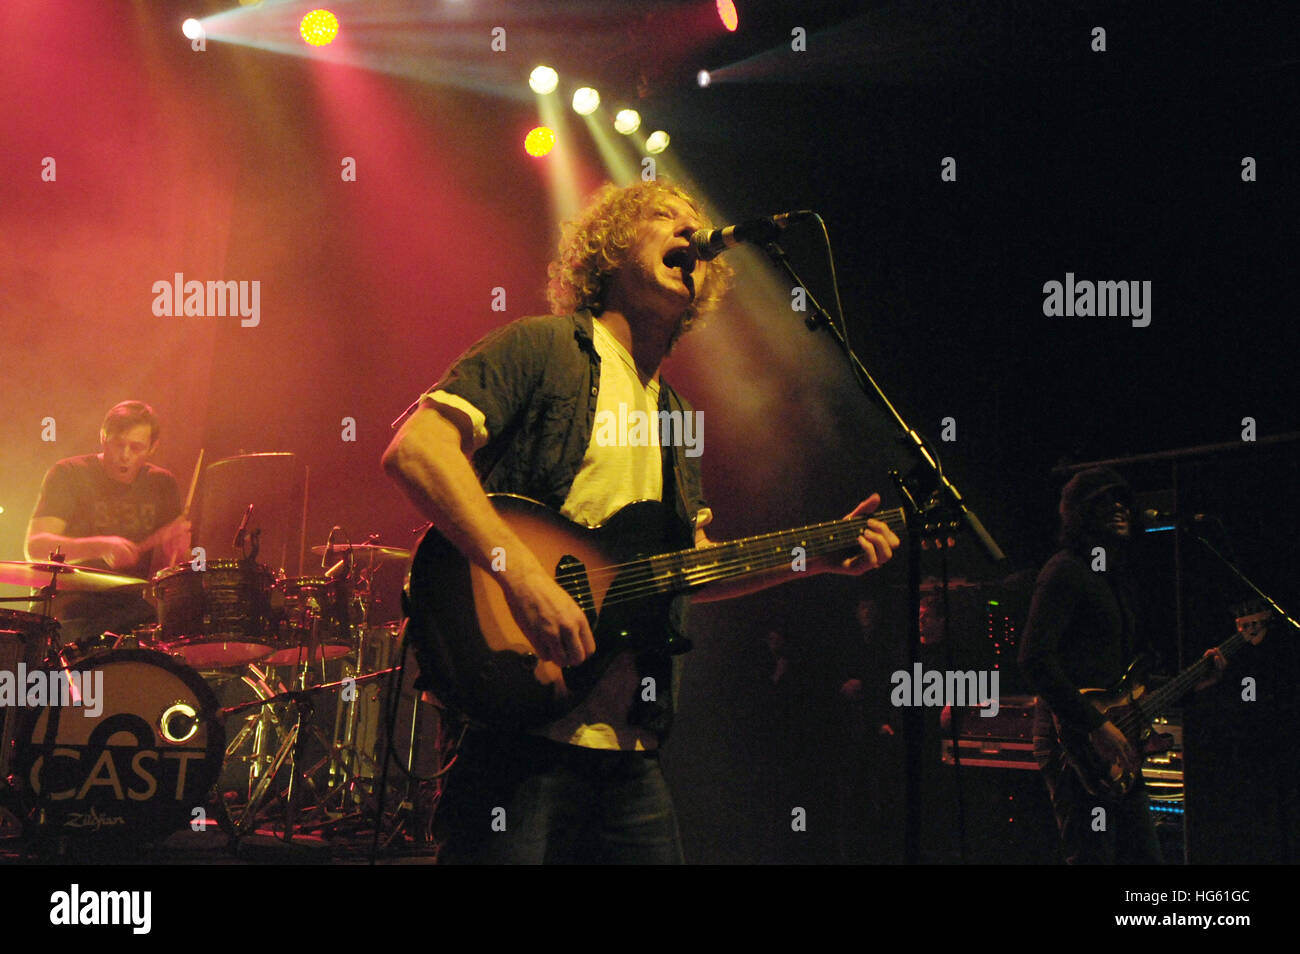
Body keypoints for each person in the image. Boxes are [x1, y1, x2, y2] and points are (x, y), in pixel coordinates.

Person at [382, 180, 900, 863]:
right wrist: (525, 578)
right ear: (608, 249)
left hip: (629, 748)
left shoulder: (677, 418)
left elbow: (689, 568)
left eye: (697, 224)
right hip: (516, 730)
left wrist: (817, 556)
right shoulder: (543, 348)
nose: (691, 234)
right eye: (665, 218)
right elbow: (416, 450)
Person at [1018, 467, 1223, 864]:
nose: (1119, 508)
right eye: (1104, 502)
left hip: (1116, 744)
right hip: (1072, 739)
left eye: (1123, 501)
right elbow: (1033, 658)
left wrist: (1198, 682)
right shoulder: (1065, 570)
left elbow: (1129, 680)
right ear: (1079, 513)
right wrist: (1096, 725)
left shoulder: (1117, 579)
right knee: (1092, 855)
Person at [25, 400, 190, 642]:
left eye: (136, 448)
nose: (125, 455)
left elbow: (169, 571)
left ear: (153, 448)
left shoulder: (162, 484)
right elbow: (36, 547)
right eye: (118, 444)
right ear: (103, 437)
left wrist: (177, 551)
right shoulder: (68, 474)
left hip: (128, 610)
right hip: (65, 608)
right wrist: (101, 546)